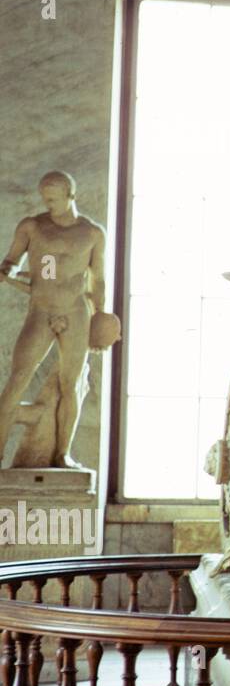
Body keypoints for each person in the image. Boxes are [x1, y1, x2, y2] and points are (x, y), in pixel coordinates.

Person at [0, 172, 108, 468]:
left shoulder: (92, 234)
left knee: (70, 385)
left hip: (75, 313)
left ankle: (62, 454)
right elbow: (12, 261)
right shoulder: (33, 227)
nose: (48, 204)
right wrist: (7, 271)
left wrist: (100, 316)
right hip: (41, 310)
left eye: (53, 199)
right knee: (18, 380)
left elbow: (97, 280)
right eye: (44, 199)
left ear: (71, 196)